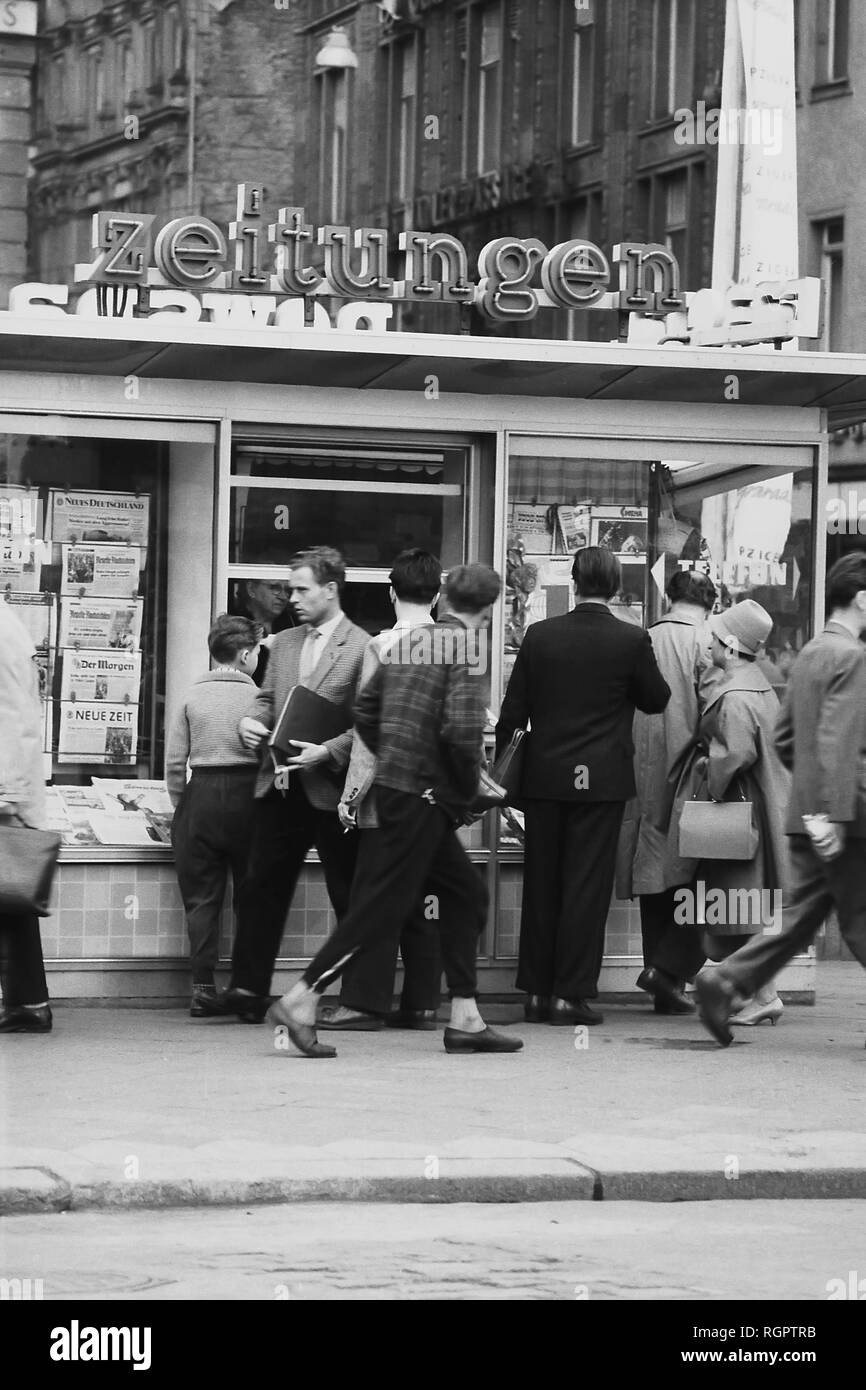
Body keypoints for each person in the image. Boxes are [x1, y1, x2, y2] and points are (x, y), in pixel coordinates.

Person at [267, 564, 523, 1059]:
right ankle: (302, 998)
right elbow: (461, 730)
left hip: (397, 791)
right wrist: (461, 789)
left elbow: (365, 710)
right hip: (424, 798)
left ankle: (467, 1017)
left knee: (465, 894)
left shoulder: (405, 643)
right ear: (489, 609)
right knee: (381, 909)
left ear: (446, 600)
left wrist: (398, 753)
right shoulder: (465, 649)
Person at [495, 546, 671, 1026]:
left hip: (546, 778)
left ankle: (535, 991)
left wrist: (500, 773)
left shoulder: (539, 636)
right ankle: (570, 995)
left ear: (574, 581)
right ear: (615, 586)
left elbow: (513, 715)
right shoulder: (630, 640)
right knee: (585, 888)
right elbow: (656, 699)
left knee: (543, 883)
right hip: (601, 781)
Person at [697, 553, 866, 1047]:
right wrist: (833, 814)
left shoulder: (813, 652)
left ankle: (725, 979)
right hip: (844, 817)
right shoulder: (853, 657)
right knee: (855, 919)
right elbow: (837, 738)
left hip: (807, 812)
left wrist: (811, 803)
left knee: (799, 918)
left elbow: (788, 740)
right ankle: (727, 980)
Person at [200, 547, 369, 1022]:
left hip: (330, 788)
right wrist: (250, 722)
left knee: (348, 893)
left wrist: (329, 751)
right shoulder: (285, 642)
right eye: (290, 588)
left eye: (301, 589)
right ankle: (249, 991)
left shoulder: (361, 646)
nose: (291, 597)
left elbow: (367, 723)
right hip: (279, 783)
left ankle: (354, 997)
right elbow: (267, 699)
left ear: (331, 590)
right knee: (261, 887)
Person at [317, 549, 443, 1032]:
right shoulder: (455, 645)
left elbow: (370, 732)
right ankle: (422, 1002)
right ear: (437, 595)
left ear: (392, 592)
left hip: (388, 793)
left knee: (373, 896)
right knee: (421, 897)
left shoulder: (382, 647)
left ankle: (365, 1002)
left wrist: (351, 796)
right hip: (432, 797)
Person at [626, 569, 717, 1014]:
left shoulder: (641, 638)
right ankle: (669, 972)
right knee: (703, 877)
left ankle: (662, 979)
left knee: (654, 876)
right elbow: (716, 712)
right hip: (692, 776)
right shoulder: (708, 643)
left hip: (638, 775)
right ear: (709, 604)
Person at [696, 599, 790, 1027]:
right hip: (764, 807)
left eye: (715, 638)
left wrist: (707, 773)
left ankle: (764, 995)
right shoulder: (761, 685)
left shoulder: (734, 696)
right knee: (746, 901)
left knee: (742, 902)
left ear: (731, 647)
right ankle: (750, 991)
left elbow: (733, 755)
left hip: (739, 812)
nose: (709, 643)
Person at [165, 615, 261, 1017]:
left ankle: (203, 988)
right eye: (257, 650)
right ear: (244, 655)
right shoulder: (260, 699)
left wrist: (181, 805)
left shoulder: (190, 696)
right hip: (250, 798)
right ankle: (246, 988)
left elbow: (174, 763)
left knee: (202, 899)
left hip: (200, 795)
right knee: (252, 899)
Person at [0, 600, 53, 1033]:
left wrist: (8, 791)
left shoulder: (1, 630)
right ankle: (28, 1002)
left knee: (11, 896)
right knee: (10, 901)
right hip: (7, 785)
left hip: (4, 788)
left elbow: (15, 716)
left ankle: (29, 1003)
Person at [236, 578, 293, 685]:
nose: (283, 597)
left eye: (287, 590)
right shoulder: (235, 625)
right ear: (251, 589)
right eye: (275, 588)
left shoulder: (293, 623)